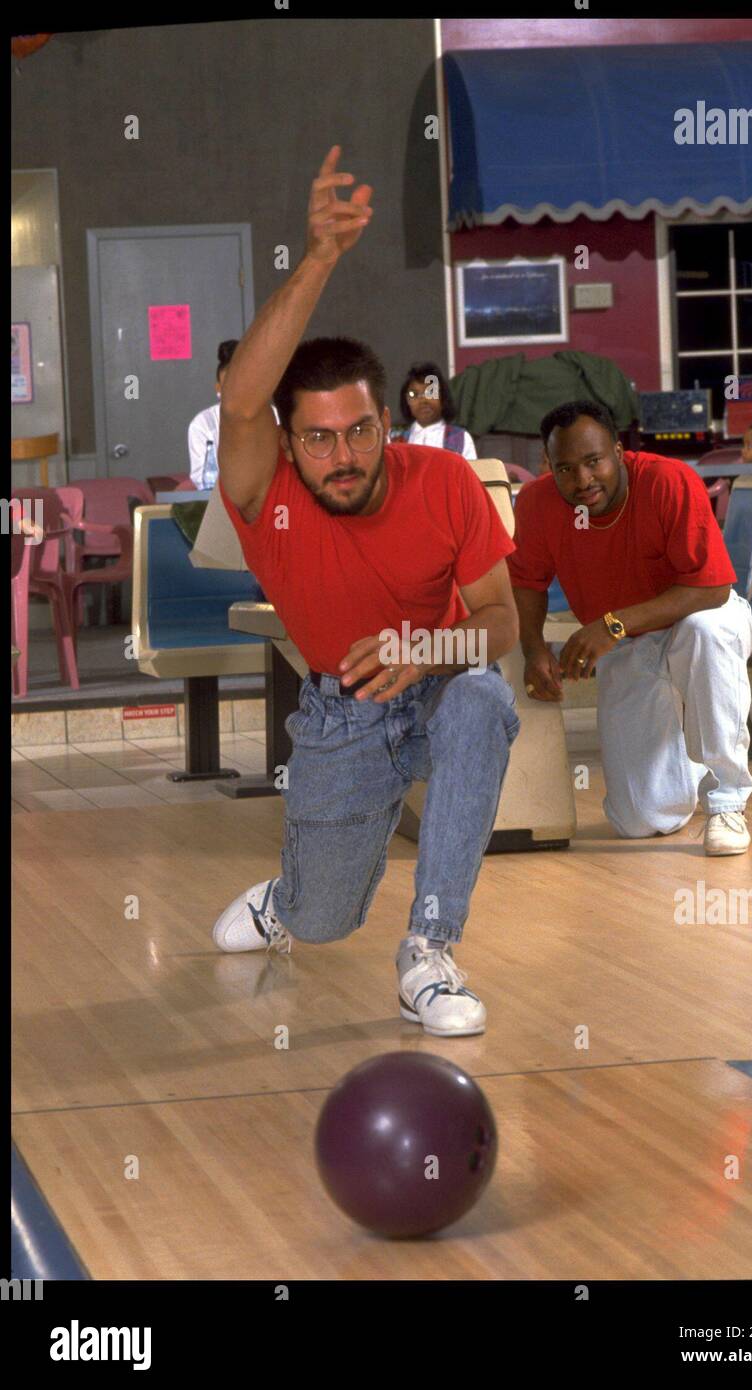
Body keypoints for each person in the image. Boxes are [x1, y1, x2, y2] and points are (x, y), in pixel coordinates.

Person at [210, 146, 520, 1038]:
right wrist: (318, 258)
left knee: (478, 701)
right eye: (317, 439)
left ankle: (428, 951)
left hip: (436, 685)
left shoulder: (448, 482)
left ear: (388, 421)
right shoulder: (261, 490)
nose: (340, 455)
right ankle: (290, 894)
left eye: (358, 431)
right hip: (341, 712)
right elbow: (241, 404)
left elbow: (497, 618)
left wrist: (425, 649)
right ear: (287, 445)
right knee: (323, 921)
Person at [508, 400, 752, 856]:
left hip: (694, 619)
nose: (582, 481)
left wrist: (613, 624)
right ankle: (687, 759)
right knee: (640, 820)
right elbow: (526, 583)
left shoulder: (668, 480)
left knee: (706, 631)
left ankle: (727, 799)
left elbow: (712, 588)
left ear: (619, 451)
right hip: (630, 644)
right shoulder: (539, 503)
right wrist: (532, 648)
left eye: (593, 461)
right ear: (548, 466)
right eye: (565, 468)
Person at [391, 360, 477, 459]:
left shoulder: (461, 438)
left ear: (443, 397)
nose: (423, 400)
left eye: (431, 392)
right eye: (414, 394)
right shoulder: (393, 438)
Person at [187, 339, 239, 489]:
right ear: (218, 389)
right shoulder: (203, 424)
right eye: (229, 386)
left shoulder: (273, 416)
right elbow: (202, 481)